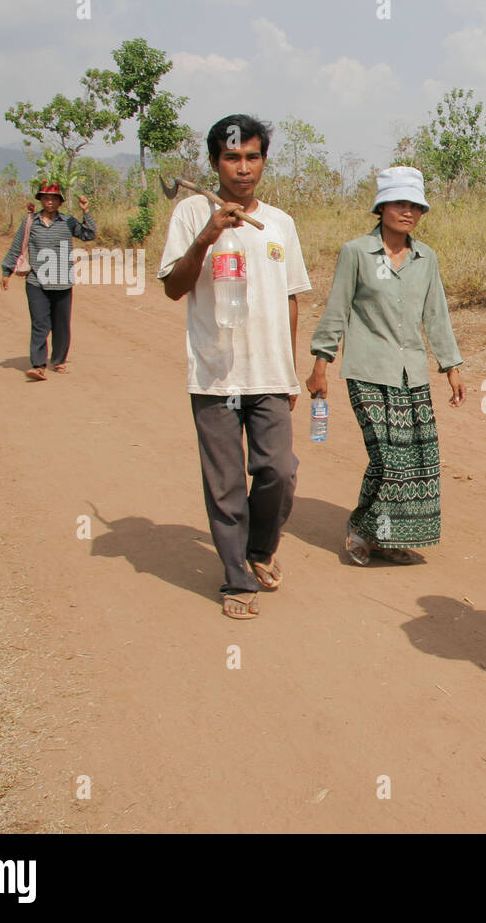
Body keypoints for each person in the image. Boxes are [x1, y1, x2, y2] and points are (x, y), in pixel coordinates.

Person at [157, 114, 312, 620]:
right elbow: (174, 287)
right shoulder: (190, 214)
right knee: (224, 482)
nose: (242, 168)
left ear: (263, 160)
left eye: (252, 157)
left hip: (269, 372)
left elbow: (291, 299)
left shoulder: (280, 224)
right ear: (213, 162)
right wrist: (206, 237)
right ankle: (236, 576)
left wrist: (290, 369)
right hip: (214, 374)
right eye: (231, 157)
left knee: (278, 471)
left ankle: (261, 548)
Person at [306, 166, 464, 566]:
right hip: (366, 370)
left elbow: (436, 316)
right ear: (381, 207)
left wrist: (451, 367)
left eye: (415, 205)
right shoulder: (356, 253)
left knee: (418, 460)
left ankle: (387, 538)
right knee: (387, 459)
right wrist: (320, 364)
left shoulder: (426, 258)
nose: (407, 212)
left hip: (412, 373)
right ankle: (361, 528)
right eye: (399, 203)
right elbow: (337, 310)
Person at [0, 184, 94, 380]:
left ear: (60, 202)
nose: (49, 202)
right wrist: (6, 271)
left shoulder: (68, 221)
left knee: (61, 325)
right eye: (45, 198)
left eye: (54, 198)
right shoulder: (30, 222)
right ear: (40, 200)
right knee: (40, 323)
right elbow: (17, 246)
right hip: (37, 282)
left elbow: (89, 234)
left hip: (62, 282)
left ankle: (59, 361)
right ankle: (39, 365)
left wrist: (86, 211)